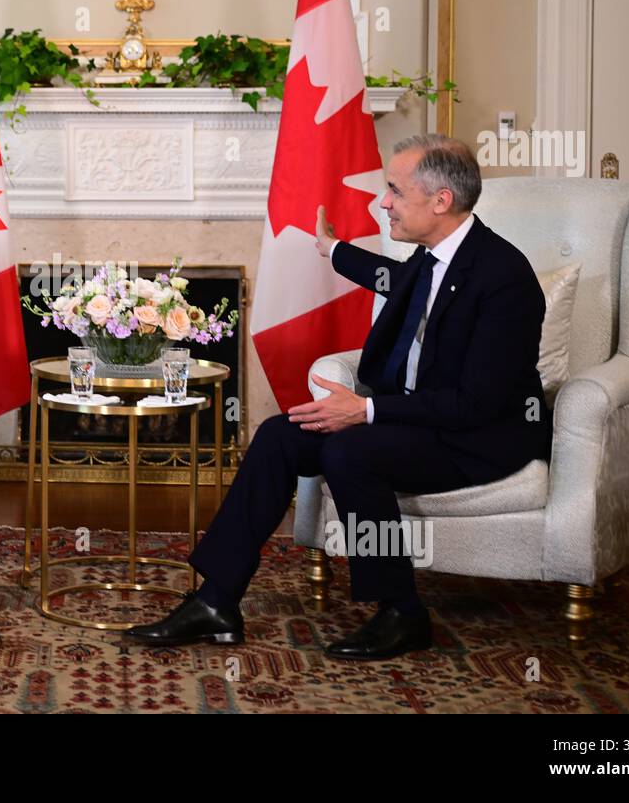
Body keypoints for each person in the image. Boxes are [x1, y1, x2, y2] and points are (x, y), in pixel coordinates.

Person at [123, 134, 552, 660]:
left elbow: (475, 405)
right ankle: (216, 600)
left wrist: (366, 409)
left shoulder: (504, 277)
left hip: (477, 437)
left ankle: (402, 613)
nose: (383, 203)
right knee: (282, 434)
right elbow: (395, 281)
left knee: (349, 448)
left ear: (441, 201)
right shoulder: (431, 258)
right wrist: (334, 251)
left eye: (394, 191)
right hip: (420, 422)